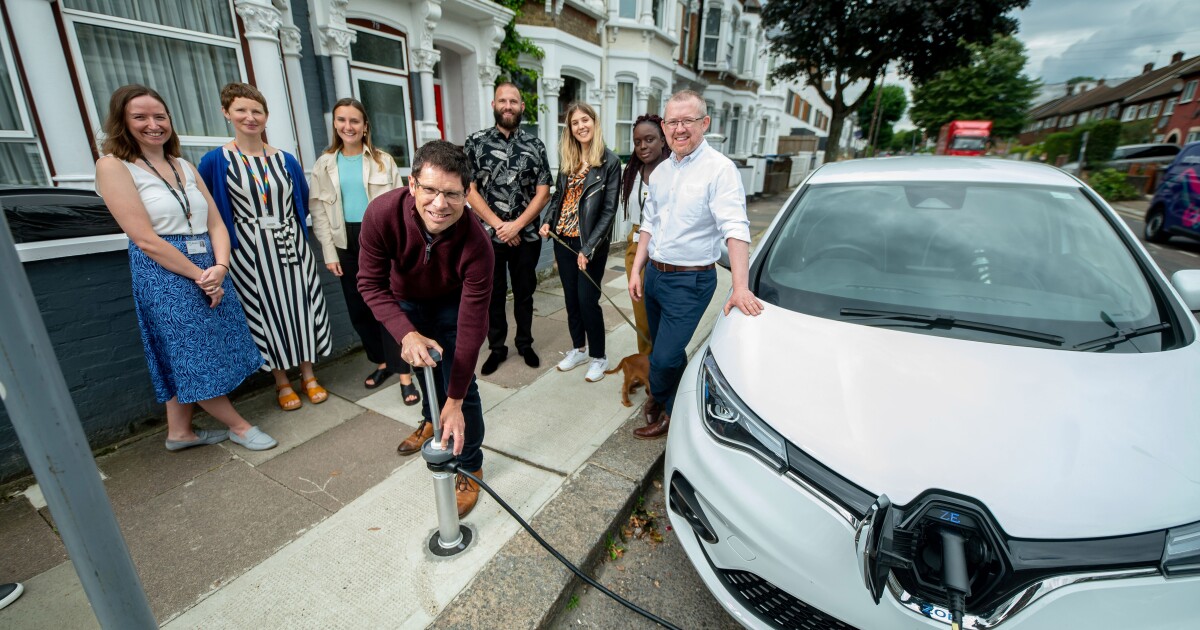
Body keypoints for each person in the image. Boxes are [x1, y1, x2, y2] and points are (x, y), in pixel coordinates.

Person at [95, 84, 276, 452]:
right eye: (140, 117)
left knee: (186, 350)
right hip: (165, 271)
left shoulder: (184, 165)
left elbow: (215, 224)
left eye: (159, 116)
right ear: (122, 122)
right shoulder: (114, 166)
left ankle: (179, 433)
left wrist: (220, 266)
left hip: (209, 264)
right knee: (191, 352)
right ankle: (239, 427)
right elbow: (144, 238)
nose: (153, 125)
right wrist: (199, 275)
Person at [357, 140, 494, 517]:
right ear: (412, 184)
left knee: (462, 391)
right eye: (430, 190)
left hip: (452, 305)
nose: (439, 204)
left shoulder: (478, 244)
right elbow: (369, 283)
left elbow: (472, 329)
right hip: (406, 303)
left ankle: (470, 464)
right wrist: (406, 332)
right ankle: (432, 418)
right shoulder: (382, 214)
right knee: (422, 369)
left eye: (452, 194)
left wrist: (454, 400)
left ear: (467, 194)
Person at [628, 90, 764, 440]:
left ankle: (670, 410)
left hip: (690, 283)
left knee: (663, 359)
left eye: (688, 120)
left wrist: (740, 286)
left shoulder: (720, 170)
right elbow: (649, 224)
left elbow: (735, 228)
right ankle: (667, 398)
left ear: (704, 123)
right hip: (656, 275)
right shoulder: (659, 173)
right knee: (664, 352)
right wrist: (636, 268)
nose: (679, 128)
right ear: (664, 125)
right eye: (672, 121)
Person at [199, 83, 332, 412]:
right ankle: (281, 380)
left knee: (301, 307)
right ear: (226, 113)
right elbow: (211, 210)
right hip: (247, 249)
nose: (250, 117)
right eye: (241, 110)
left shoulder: (285, 160)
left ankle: (308, 373)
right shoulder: (215, 161)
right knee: (264, 311)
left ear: (266, 116)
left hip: (290, 244)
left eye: (256, 111)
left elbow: (300, 200)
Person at [309, 98, 419, 403]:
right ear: (335, 124)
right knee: (360, 309)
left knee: (389, 305)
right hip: (344, 240)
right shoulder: (325, 164)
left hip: (381, 239)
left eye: (354, 121)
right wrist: (329, 253)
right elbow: (318, 210)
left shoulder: (383, 160)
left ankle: (405, 375)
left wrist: (401, 246)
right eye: (342, 120)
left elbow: (402, 205)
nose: (348, 126)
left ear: (365, 126)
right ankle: (383, 362)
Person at [465, 82, 553, 375]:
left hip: (526, 236)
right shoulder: (475, 143)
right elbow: (469, 189)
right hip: (488, 237)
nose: (508, 106)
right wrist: (500, 226)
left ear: (521, 107)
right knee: (493, 294)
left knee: (525, 292)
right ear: (493, 105)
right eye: (502, 101)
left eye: (513, 101)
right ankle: (497, 348)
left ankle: (525, 343)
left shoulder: (535, 145)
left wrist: (516, 226)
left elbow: (543, 192)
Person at [539, 102, 622, 383]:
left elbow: (609, 211)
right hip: (563, 240)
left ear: (594, 123)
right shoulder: (569, 160)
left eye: (585, 120)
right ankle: (579, 349)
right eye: (575, 123)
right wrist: (548, 220)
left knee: (588, 301)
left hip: (589, 244)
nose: (581, 126)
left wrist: (589, 248)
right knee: (571, 300)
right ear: (570, 129)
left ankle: (599, 356)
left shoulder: (609, 162)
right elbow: (558, 197)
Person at [619, 114, 670, 356]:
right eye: (638, 141)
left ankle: (662, 370)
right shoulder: (632, 172)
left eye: (649, 139)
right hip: (636, 244)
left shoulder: (676, 171)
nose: (643, 146)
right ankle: (647, 367)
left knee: (663, 317)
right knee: (642, 317)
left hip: (667, 248)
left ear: (663, 139)